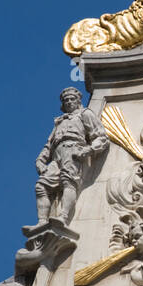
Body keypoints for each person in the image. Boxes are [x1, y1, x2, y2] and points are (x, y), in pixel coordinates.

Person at [33, 87, 108, 225]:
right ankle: (42, 222)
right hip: (57, 156)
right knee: (41, 186)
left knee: (69, 181)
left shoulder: (85, 114)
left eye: (72, 99)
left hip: (73, 151)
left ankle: (64, 217)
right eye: (66, 100)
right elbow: (49, 145)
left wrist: (88, 150)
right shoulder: (59, 121)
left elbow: (101, 137)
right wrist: (40, 160)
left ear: (78, 100)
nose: (69, 102)